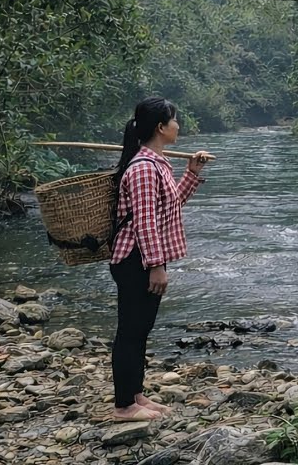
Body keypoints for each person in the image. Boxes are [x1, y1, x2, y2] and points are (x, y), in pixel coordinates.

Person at [108, 97, 211, 422]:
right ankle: (124, 406)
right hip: (135, 259)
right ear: (160, 127)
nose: (178, 126)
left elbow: (169, 206)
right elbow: (145, 221)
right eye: (174, 120)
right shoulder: (142, 168)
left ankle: (136, 395)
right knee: (130, 331)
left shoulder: (158, 164)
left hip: (146, 257)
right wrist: (156, 265)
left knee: (141, 330)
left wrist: (191, 174)